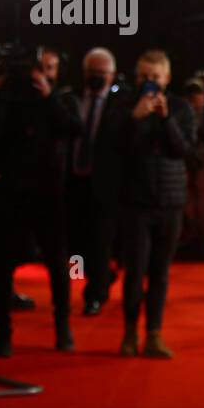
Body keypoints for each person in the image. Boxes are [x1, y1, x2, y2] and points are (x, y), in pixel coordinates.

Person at [0, 50, 84, 355]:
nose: (38, 75)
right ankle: (3, 334)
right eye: (35, 69)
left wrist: (49, 97)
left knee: (57, 263)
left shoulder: (62, 99)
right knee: (2, 265)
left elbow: (73, 127)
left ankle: (62, 328)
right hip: (10, 191)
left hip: (48, 191)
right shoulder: (7, 98)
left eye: (47, 69)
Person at [108, 49, 197, 358]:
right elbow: (115, 148)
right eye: (144, 77)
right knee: (134, 270)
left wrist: (166, 119)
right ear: (136, 78)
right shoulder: (123, 107)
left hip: (171, 201)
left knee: (160, 271)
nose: (150, 83)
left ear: (167, 79)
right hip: (135, 202)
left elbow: (185, 150)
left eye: (155, 77)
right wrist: (136, 118)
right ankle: (130, 332)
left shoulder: (181, 108)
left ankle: (154, 334)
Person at [66, 47, 123, 316]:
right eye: (92, 73)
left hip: (106, 185)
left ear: (112, 76)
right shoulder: (71, 100)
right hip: (74, 181)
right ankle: (100, 276)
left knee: (100, 241)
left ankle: (95, 294)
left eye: (102, 73)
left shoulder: (120, 105)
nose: (97, 78)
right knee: (77, 241)